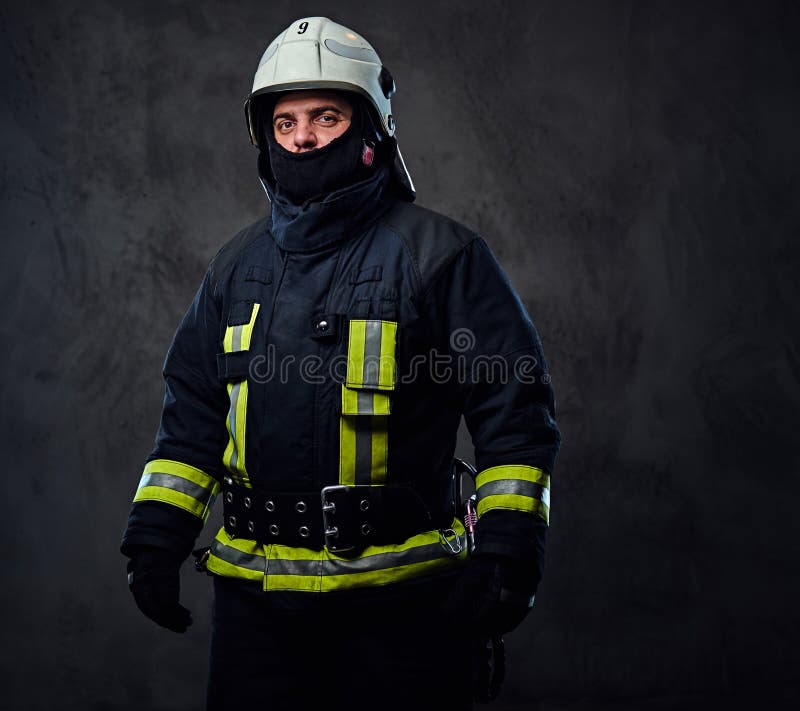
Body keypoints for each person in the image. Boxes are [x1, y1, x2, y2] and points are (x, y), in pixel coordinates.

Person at [121, 16, 561, 711]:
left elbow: (515, 415)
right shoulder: (235, 268)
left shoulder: (442, 256)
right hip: (255, 619)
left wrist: (509, 546)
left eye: (326, 116)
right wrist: (157, 534)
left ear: (371, 132)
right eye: (285, 121)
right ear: (265, 135)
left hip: (403, 614)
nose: (302, 138)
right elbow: (193, 416)